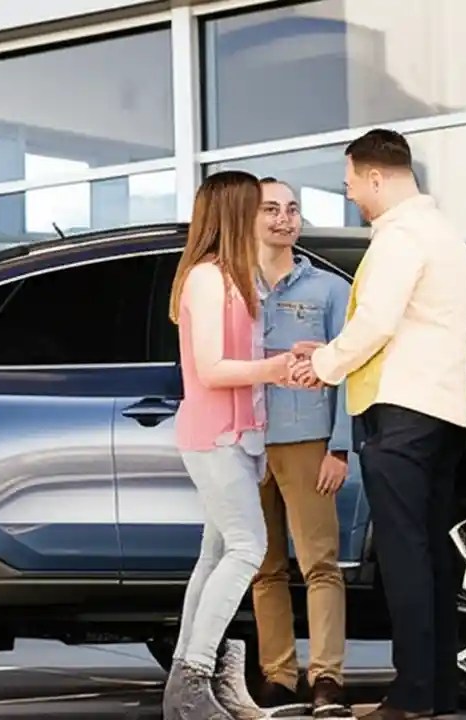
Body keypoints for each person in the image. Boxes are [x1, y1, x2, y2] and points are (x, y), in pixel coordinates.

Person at [289, 129, 466, 720]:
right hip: (442, 410)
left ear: (375, 176)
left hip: (400, 410)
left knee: (403, 556)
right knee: (432, 554)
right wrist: (335, 350)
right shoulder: (444, 234)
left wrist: (321, 364)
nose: (352, 198)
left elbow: (375, 323)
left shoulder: (400, 237)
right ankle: (437, 690)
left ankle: (411, 696)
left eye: (350, 185)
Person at [162, 169, 299, 720]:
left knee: (215, 555)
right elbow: (213, 368)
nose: (267, 216)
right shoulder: (206, 278)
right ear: (233, 213)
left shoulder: (230, 277)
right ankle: (194, 678)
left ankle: (194, 681)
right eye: (256, 207)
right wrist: (276, 369)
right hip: (213, 436)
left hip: (235, 439)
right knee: (247, 549)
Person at [249, 177, 353, 719]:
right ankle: (278, 677)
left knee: (320, 564)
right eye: (271, 209)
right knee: (264, 568)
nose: (283, 219)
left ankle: (327, 678)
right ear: (250, 218)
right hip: (248, 445)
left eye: (292, 209)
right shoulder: (232, 290)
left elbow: (349, 371)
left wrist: (340, 447)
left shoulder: (330, 290)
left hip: (309, 443)